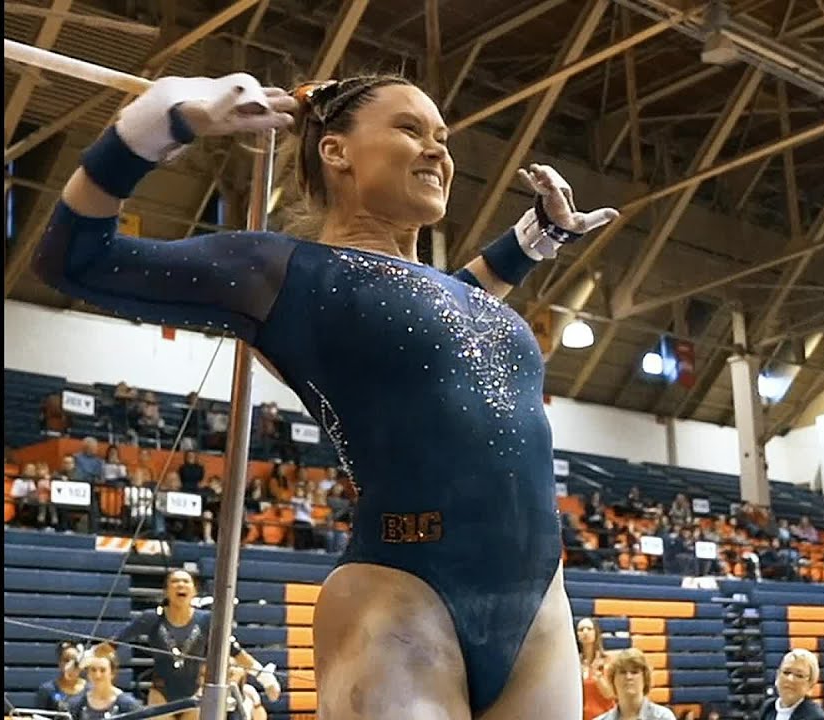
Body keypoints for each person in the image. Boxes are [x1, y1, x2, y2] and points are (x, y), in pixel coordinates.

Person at [32, 68, 619, 719]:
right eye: (411, 129)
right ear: (335, 150)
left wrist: (537, 236)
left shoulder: (460, 295)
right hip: (405, 594)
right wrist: (155, 126)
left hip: (539, 606)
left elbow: (442, 310)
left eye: (443, 138)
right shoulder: (286, 273)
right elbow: (73, 258)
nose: (437, 150)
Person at [89, 570, 280, 720]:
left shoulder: (206, 620)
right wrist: (87, 657)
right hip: (161, 695)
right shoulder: (151, 619)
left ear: (194, 591)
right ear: (166, 591)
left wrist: (265, 678)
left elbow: (237, 653)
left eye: (186, 581)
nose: (180, 584)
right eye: (174, 581)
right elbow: (112, 644)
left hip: (194, 695)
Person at [591, 648, 676, 720]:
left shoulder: (663, 717)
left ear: (645, 679)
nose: (628, 677)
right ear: (613, 680)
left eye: (634, 672)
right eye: (622, 672)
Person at [757, 649, 824, 720]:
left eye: (799, 675)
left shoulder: (816, 717)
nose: (790, 679)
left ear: (810, 684)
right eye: (786, 672)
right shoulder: (768, 707)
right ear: (777, 675)